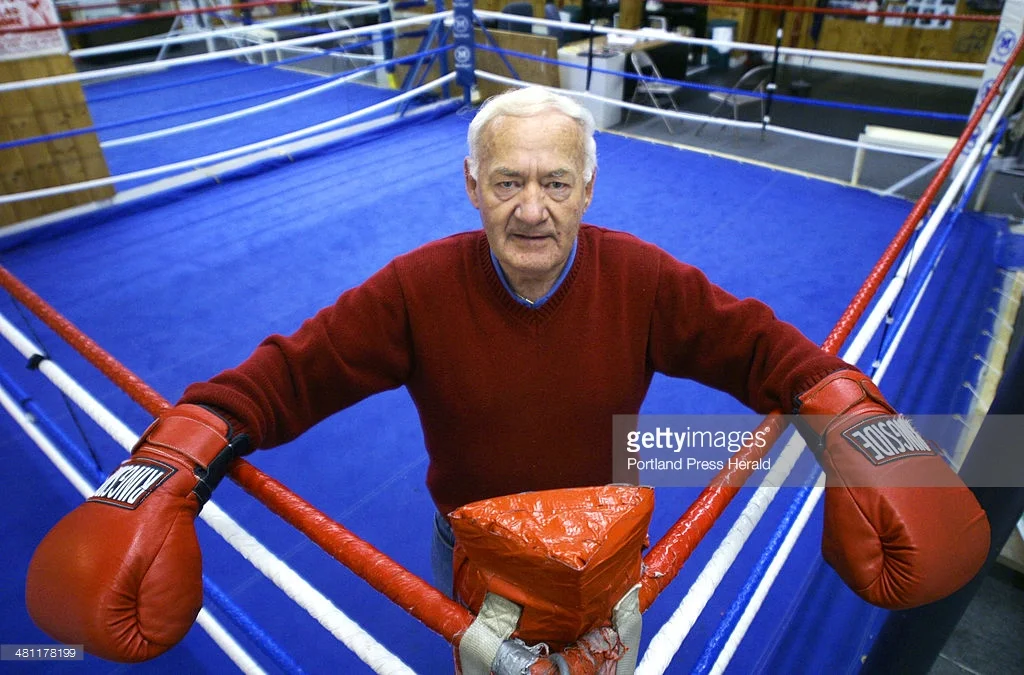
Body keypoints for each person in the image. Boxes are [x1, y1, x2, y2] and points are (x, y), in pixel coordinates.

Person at [26, 86, 990, 666]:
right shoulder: (417, 290)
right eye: (508, 182)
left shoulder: (643, 278)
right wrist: (158, 467)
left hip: (610, 551)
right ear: (472, 186)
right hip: (474, 561)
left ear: (589, 188)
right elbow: (278, 380)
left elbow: (771, 353)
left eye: (556, 182)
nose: (533, 209)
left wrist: (871, 428)